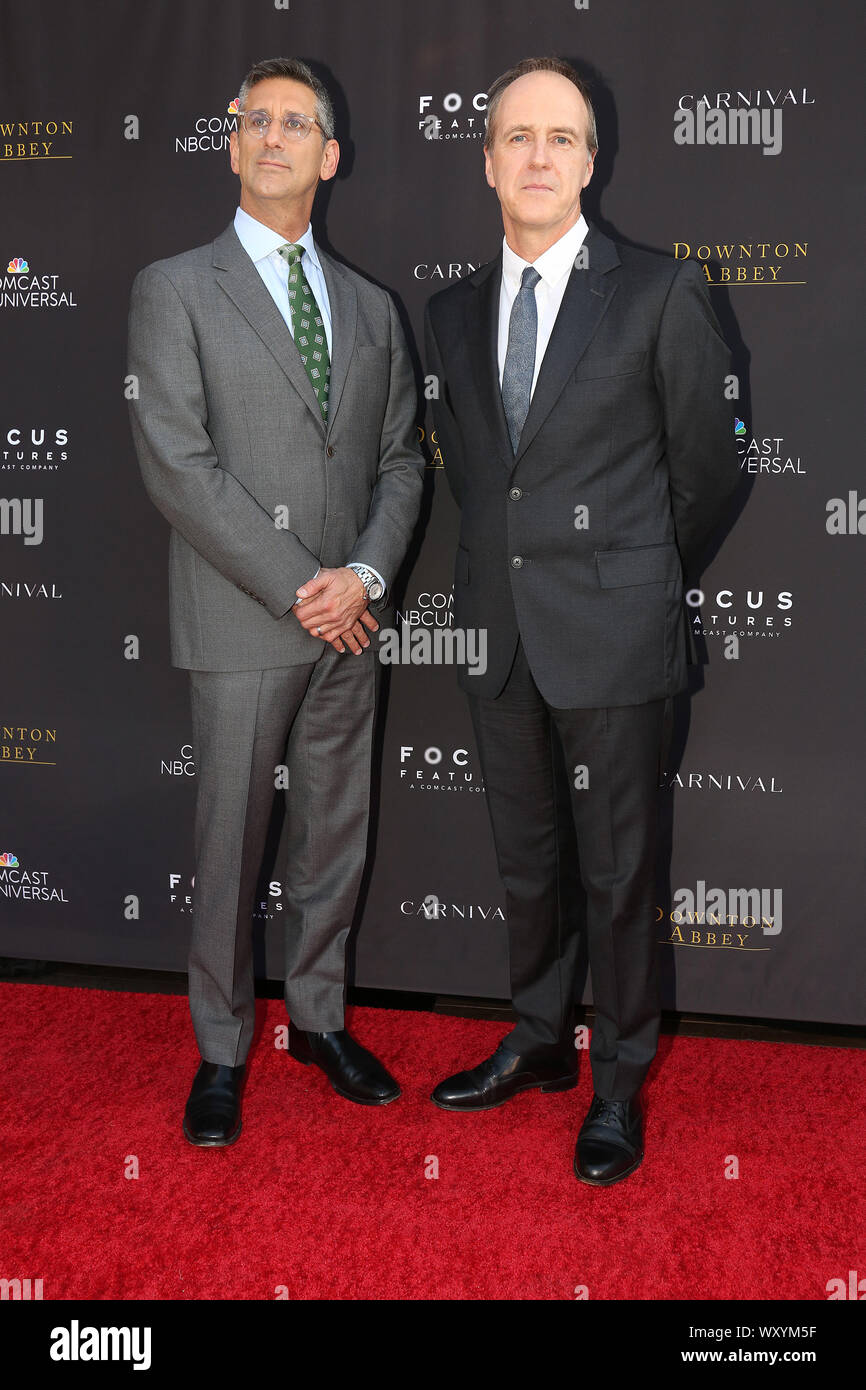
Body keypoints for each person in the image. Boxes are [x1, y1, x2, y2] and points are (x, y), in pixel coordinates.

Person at [424, 56, 739, 1185]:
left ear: (591, 161)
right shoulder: (450, 312)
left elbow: (706, 468)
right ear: (487, 160)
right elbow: (472, 472)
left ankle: (614, 1083)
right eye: (517, 136)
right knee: (525, 866)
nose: (538, 156)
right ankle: (537, 1041)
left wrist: (634, 573)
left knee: (616, 875)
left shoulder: (656, 291)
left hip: (614, 632)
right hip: (497, 633)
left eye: (561, 138)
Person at [127, 57, 424, 1147]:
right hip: (248, 612)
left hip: (354, 615)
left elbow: (401, 464)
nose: (272, 137)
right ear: (233, 142)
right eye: (254, 120)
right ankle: (218, 1047)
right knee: (228, 841)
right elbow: (177, 462)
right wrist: (307, 587)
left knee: (333, 835)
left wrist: (366, 580)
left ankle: (320, 1019)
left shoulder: (373, 308)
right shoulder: (174, 286)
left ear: (328, 155)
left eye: (295, 123)